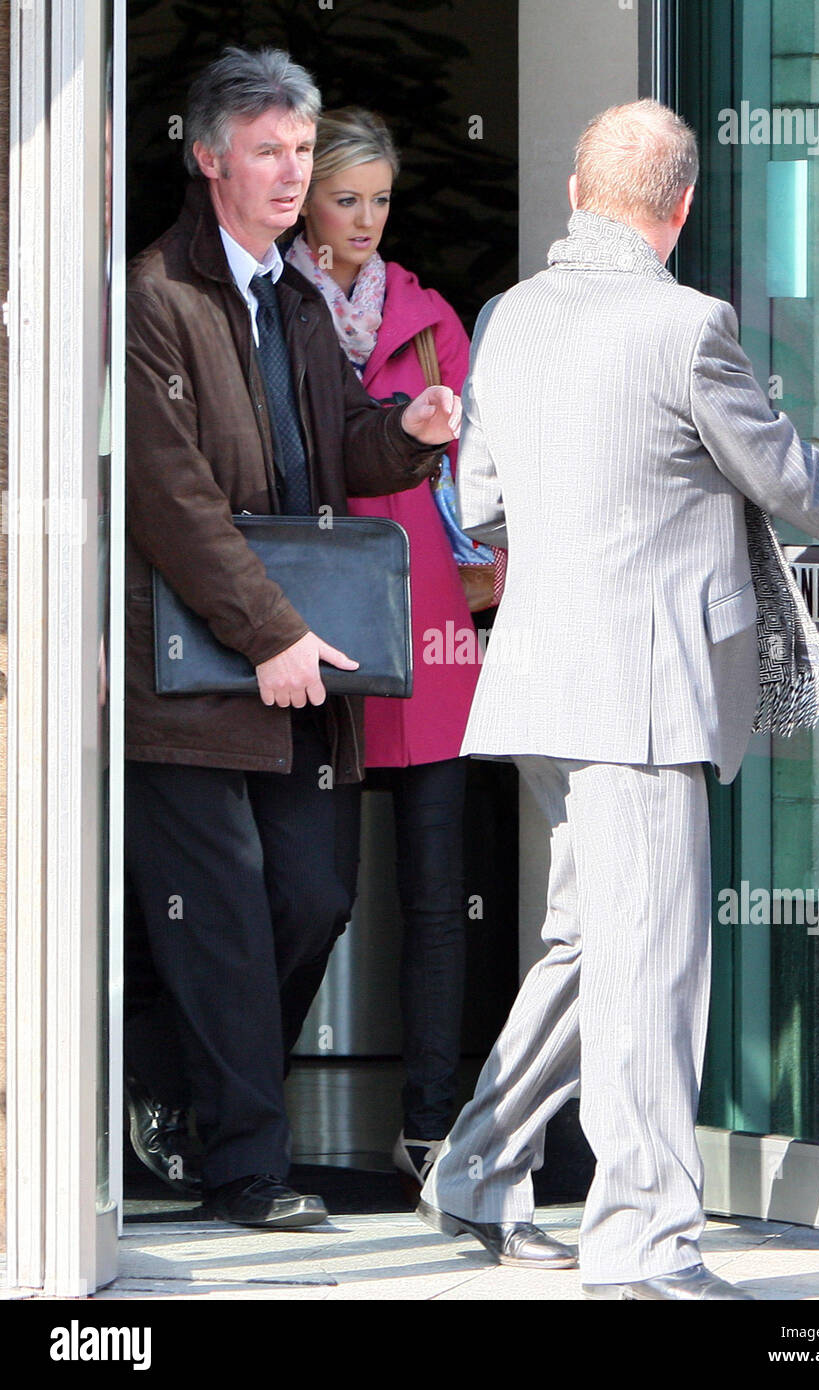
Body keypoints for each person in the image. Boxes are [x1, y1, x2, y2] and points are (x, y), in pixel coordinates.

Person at [417, 99, 819, 1297]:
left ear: (581, 193)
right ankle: (640, 1242)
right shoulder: (687, 326)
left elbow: (476, 503)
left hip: (539, 684)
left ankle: (474, 1167)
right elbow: (782, 474)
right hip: (638, 698)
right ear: (678, 209)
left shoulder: (507, 315)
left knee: (592, 948)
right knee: (649, 971)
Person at [123, 46, 459, 1228]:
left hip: (299, 666)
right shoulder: (151, 295)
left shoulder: (295, 299)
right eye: (268, 149)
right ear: (209, 155)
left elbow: (339, 450)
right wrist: (268, 630)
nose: (290, 172)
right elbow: (169, 499)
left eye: (302, 150)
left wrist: (407, 433)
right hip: (196, 672)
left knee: (313, 897)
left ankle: (171, 1078)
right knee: (213, 917)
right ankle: (248, 1167)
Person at [283, 109, 480, 1187]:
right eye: (344, 198)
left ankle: (429, 1125)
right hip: (309, 625)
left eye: (378, 201)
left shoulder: (431, 317)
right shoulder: (268, 306)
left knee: (436, 892)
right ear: (308, 198)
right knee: (305, 888)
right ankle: (234, 1106)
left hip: (428, 627)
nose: (363, 220)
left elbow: (470, 477)